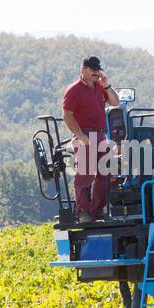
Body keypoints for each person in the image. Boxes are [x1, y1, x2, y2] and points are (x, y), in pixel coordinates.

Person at [62, 55, 119, 223]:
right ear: (84, 70)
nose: (96, 73)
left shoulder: (100, 87)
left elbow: (115, 103)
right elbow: (67, 115)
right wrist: (80, 135)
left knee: (105, 173)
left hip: (101, 134)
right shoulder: (74, 90)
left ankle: (97, 211)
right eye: (93, 70)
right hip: (85, 135)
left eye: (98, 70)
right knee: (84, 174)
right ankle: (83, 212)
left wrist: (107, 84)